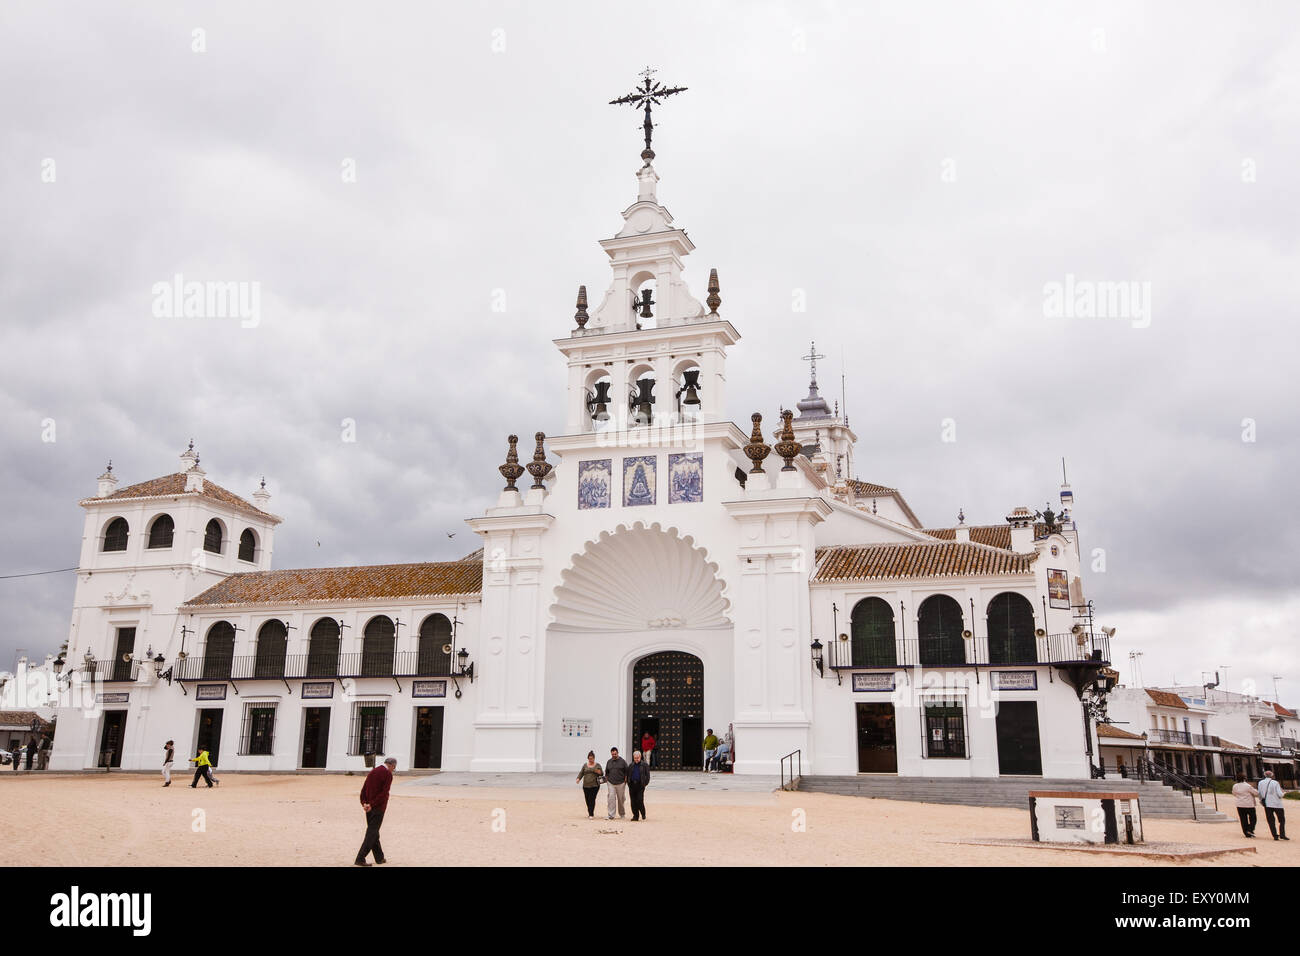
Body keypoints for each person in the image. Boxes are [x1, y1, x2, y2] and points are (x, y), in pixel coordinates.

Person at [356, 756, 397, 866]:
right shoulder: (388, 774)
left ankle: (379, 857)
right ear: (392, 765)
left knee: (374, 832)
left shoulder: (373, 771)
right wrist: (372, 804)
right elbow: (384, 793)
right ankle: (360, 858)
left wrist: (364, 802)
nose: (393, 770)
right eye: (394, 768)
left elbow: (364, 788)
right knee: (372, 833)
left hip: (368, 807)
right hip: (378, 807)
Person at [1258, 769, 1289, 841]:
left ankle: (1275, 835)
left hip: (1267, 804)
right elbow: (1280, 794)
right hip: (1277, 804)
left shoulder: (1260, 782)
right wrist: (1284, 793)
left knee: (1270, 820)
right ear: (1272, 775)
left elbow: (1259, 793)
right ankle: (1282, 834)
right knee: (1281, 820)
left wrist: (1261, 801)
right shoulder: (1275, 783)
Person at [576, 751, 604, 818]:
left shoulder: (597, 765)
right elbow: (581, 773)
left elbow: (601, 773)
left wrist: (598, 772)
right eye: (589, 758)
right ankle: (590, 811)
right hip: (586, 785)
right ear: (588, 758)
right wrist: (578, 778)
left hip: (595, 786)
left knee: (592, 799)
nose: (590, 760)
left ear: (594, 758)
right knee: (587, 799)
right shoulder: (585, 765)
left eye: (592, 758)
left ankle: (591, 814)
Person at [604, 747, 629, 820]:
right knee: (611, 798)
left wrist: (625, 781)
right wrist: (607, 779)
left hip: (621, 783)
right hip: (611, 783)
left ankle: (622, 814)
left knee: (621, 799)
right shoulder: (609, 761)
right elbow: (606, 772)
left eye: (615, 754)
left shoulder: (623, 761)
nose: (614, 755)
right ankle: (611, 815)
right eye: (612, 754)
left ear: (617, 753)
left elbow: (627, 771)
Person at [1231, 773, 1259, 838]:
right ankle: (1250, 829)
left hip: (1240, 804)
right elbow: (1256, 793)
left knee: (1243, 819)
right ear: (1244, 778)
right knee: (1253, 818)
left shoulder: (1235, 786)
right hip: (1249, 804)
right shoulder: (1247, 786)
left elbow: (1234, 793)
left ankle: (1246, 832)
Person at [627, 750, 651, 821]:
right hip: (632, 785)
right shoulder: (631, 765)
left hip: (640, 785)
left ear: (640, 757)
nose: (636, 759)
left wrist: (644, 784)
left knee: (639, 800)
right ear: (633, 758)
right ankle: (635, 816)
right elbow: (628, 775)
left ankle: (643, 813)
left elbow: (647, 776)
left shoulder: (645, 765)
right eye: (635, 758)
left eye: (637, 758)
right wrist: (629, 783)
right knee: (633, 802)